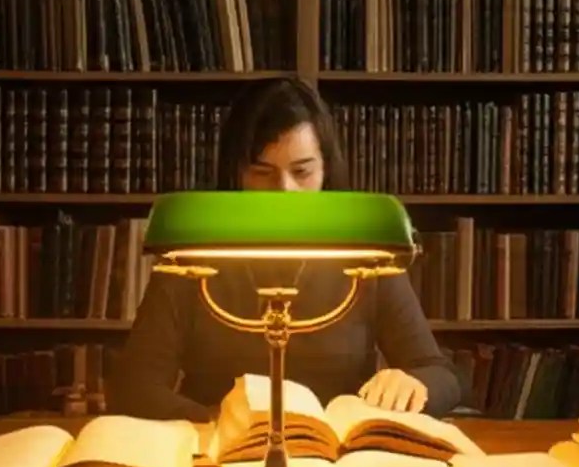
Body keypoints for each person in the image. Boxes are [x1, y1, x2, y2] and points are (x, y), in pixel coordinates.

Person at [105, 77, 461, 423]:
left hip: (338, 458)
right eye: (262, 172)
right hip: (221, 455)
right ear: (236, 174)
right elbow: (135, 387)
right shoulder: (192, 259)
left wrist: (416, 384)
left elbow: (441, 374)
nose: (285, 191)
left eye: (302, 172)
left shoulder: (367, 259)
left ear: (326, 171)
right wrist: (217, 424)